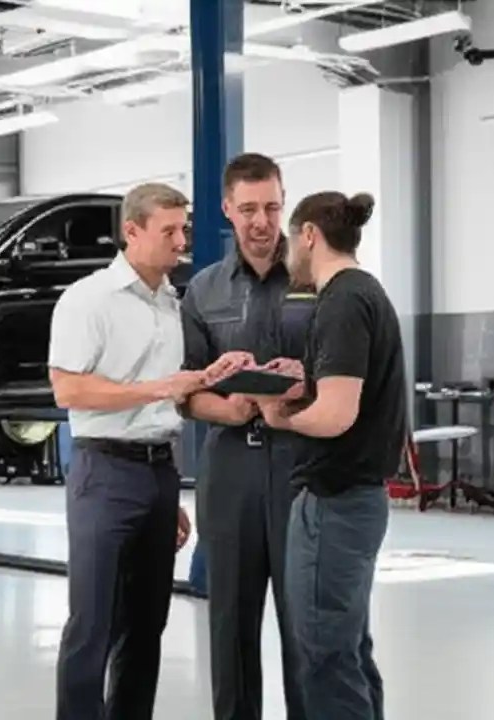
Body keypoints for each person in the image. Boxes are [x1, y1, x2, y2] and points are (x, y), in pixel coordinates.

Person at [48, 182, 243, 720]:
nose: (182, 241)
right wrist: (160, 389)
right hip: (103, 471)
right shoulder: (88, 299)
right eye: (169, 231)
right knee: (91, 623)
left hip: (158, 472)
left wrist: (168, 491)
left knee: (146, 624)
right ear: (131, 231)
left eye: (185, 229)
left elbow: (168, 403)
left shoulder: (172, 305)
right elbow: (68, 389)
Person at [250, 191, 405, 720]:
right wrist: (305, 380)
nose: (288, 251)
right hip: (358, 500)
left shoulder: (341, 302)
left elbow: (337, 415)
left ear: (310, 235)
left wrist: (281, 416)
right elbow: (347, 391)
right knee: (348, 650)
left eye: (292, 239)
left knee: (325, 656)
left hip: (335, 502)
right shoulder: (366, 292)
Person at [179, 153, 309, 720]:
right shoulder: (203, 290)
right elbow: (185, 391)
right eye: (249, 209)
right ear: (228, 209)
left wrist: (301, 384)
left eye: (272, 207)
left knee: (306, 624)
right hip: (230, 466)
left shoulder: (316, 278)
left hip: (303, 463)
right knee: (230, 622)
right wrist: (227, 409)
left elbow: (345, 371)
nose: (262, 222)